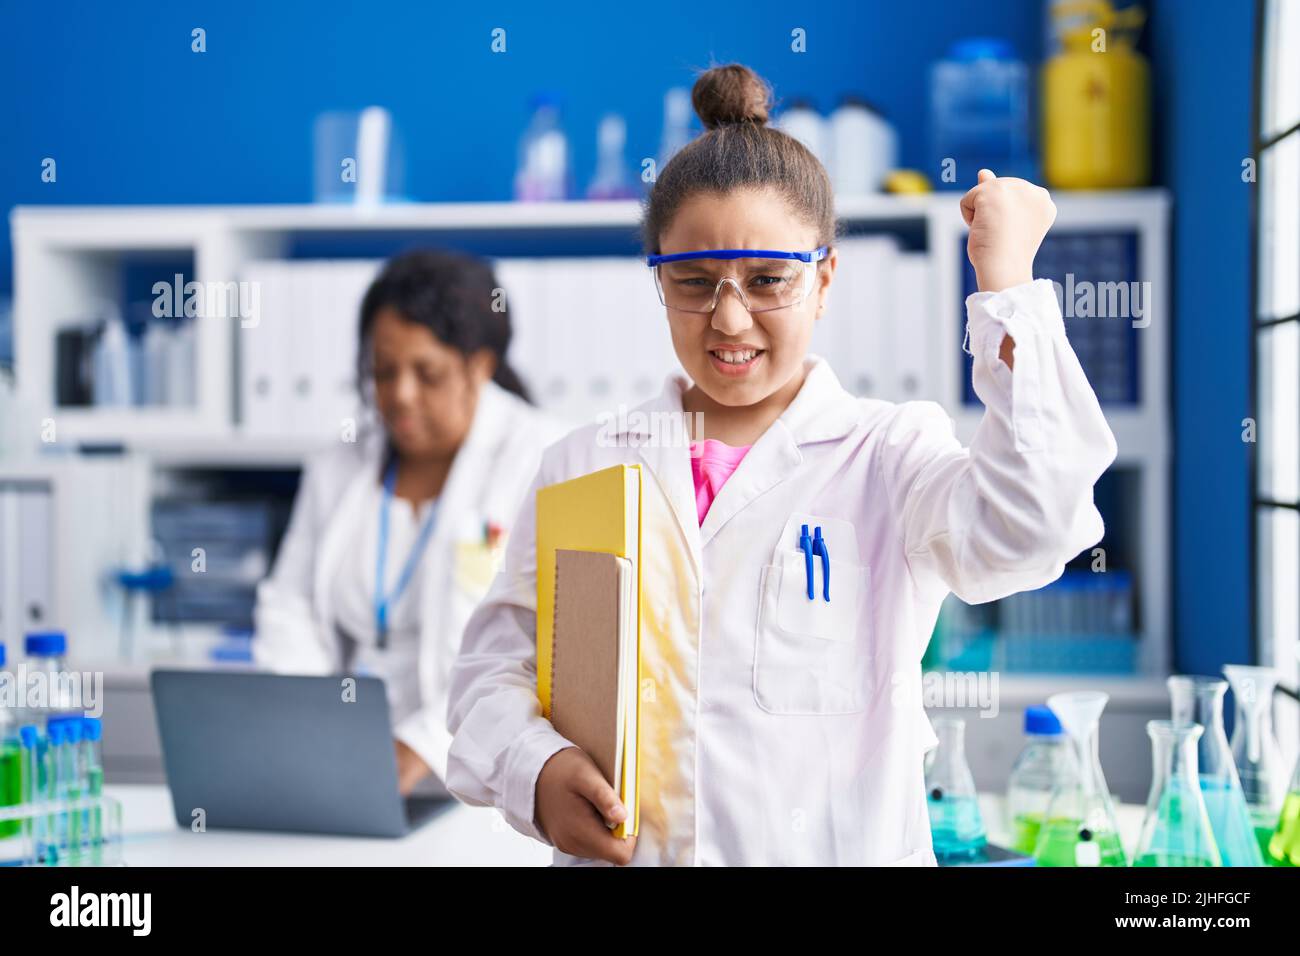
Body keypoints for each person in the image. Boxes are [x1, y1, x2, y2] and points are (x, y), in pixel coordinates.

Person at [444, 64, 1117, 864]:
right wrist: (537, 769)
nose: (729, 317)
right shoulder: (583, 465)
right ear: (657, 282)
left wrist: (1009, 291)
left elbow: (1035, 526)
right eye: (693, 282)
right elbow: (490, 672)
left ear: (824, 279)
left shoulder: (890, 455)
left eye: (768, 280)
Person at [254, 250, 561, 795]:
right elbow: (290, 605)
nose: (400, 395)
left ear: (480, 366)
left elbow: (541, 647)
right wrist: (303, 721)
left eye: (428, 373)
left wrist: (419, 746)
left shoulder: (544, 461)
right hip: (345, 766)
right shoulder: (340, 466)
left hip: (485, 777)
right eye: (383, 371)